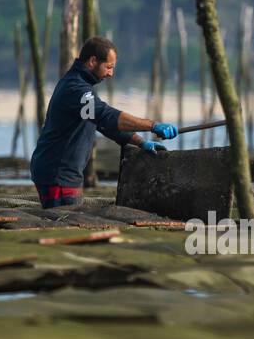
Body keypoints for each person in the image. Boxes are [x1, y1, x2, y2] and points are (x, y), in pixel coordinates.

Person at [29, 36, 178, 209]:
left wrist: (142, 142)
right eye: (108, 67)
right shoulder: (75, 88)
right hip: (58, 173)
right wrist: (152, 125)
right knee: (65, 223)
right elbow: (107, 116)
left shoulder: (81, 86)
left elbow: (105, 124)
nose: (110, 73)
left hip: (59, 172)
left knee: (69, 219)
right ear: (92, 61)